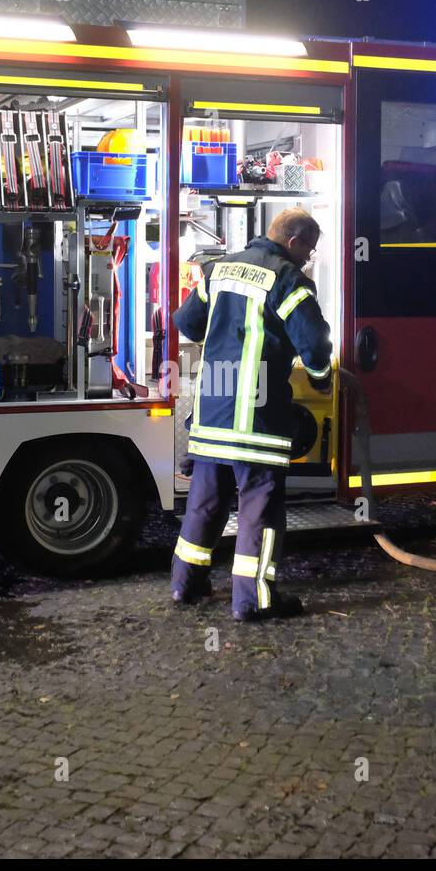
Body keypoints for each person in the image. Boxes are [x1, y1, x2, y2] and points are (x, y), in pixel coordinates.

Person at [170, 208, 333, 621]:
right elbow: (314, 345)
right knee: (259, 513)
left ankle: (184, 586)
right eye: (308, 250)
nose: (308, 258)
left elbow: (187, 325)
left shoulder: (218, 269)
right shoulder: (289, 279)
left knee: (204, 507)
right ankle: (253, 601)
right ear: (293, 242)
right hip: (257, 427)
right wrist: (321, 378)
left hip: (211, 418)